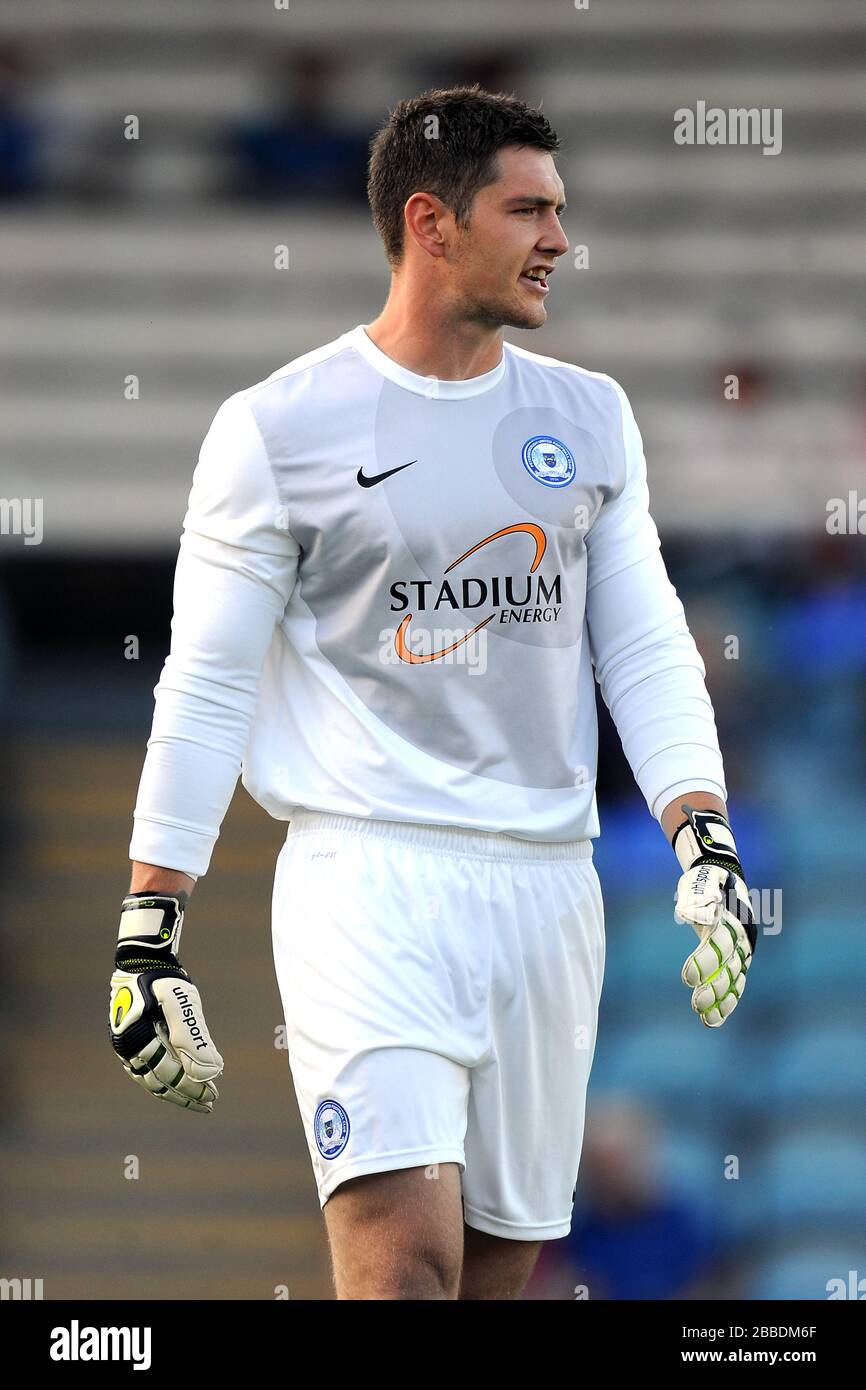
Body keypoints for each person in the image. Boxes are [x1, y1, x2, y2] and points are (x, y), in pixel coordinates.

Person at [108, 85, 757, 1301]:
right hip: (368, 880)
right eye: (529, 210)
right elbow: (202, 683)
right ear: (431, 222)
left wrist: (701, 834)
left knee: (487, 1288)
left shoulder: (589, 417)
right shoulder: (276, 431)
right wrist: (153, 916)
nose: (559, 239)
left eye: (559, 210)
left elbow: (646, 647)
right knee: (403, 1269)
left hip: (548, 891)